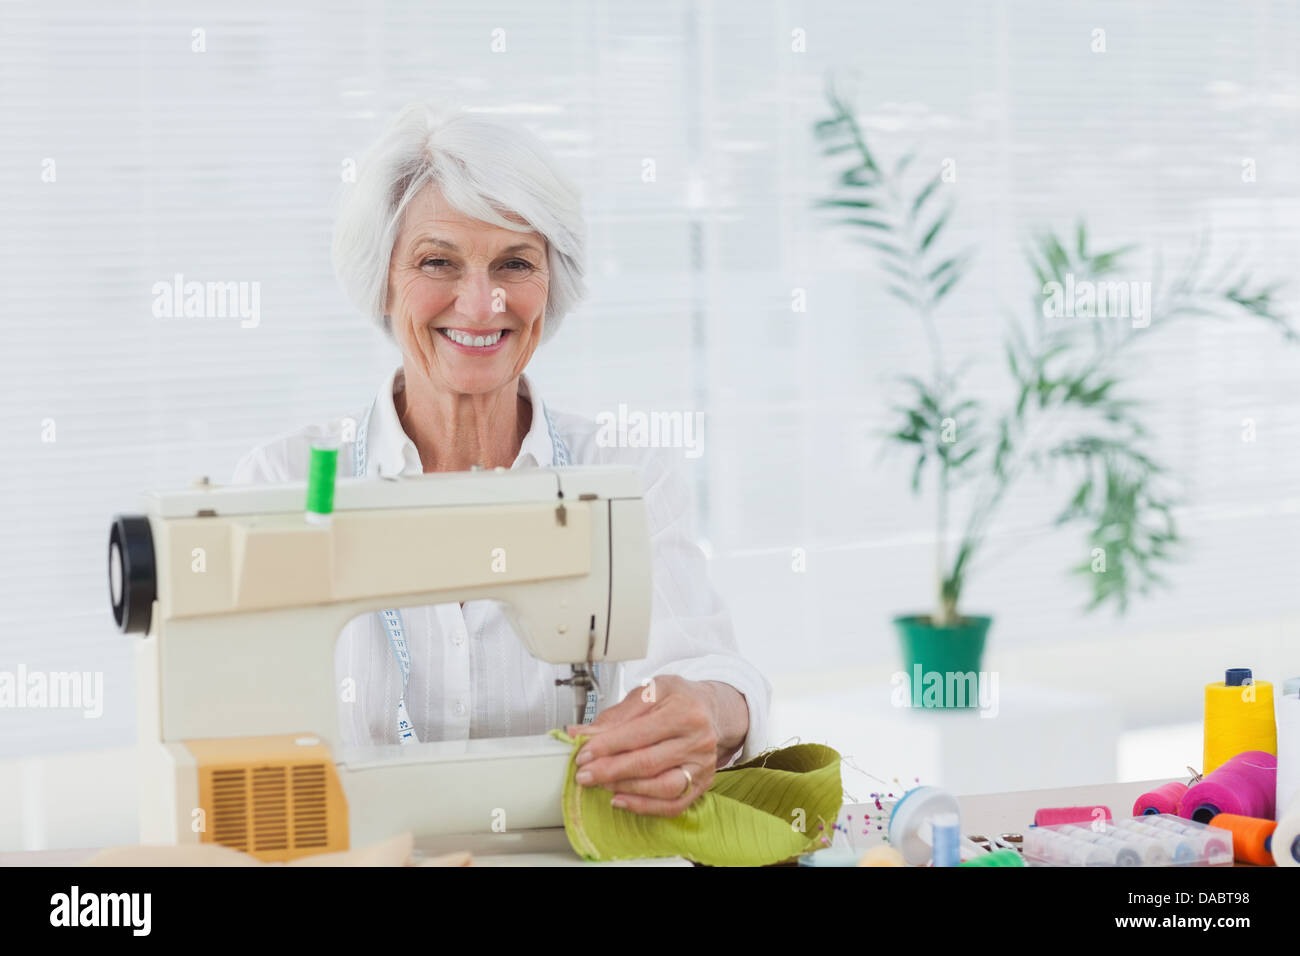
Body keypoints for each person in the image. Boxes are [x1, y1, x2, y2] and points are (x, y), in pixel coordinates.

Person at [233, 102, 770, 817]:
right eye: (437, 263)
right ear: (384, 280)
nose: (483, 305)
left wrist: (709, 707)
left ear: (553, 282)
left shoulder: (625, 472)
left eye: (515, 264)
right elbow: (242, 739)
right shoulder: (285, 484)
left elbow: (704, 668)